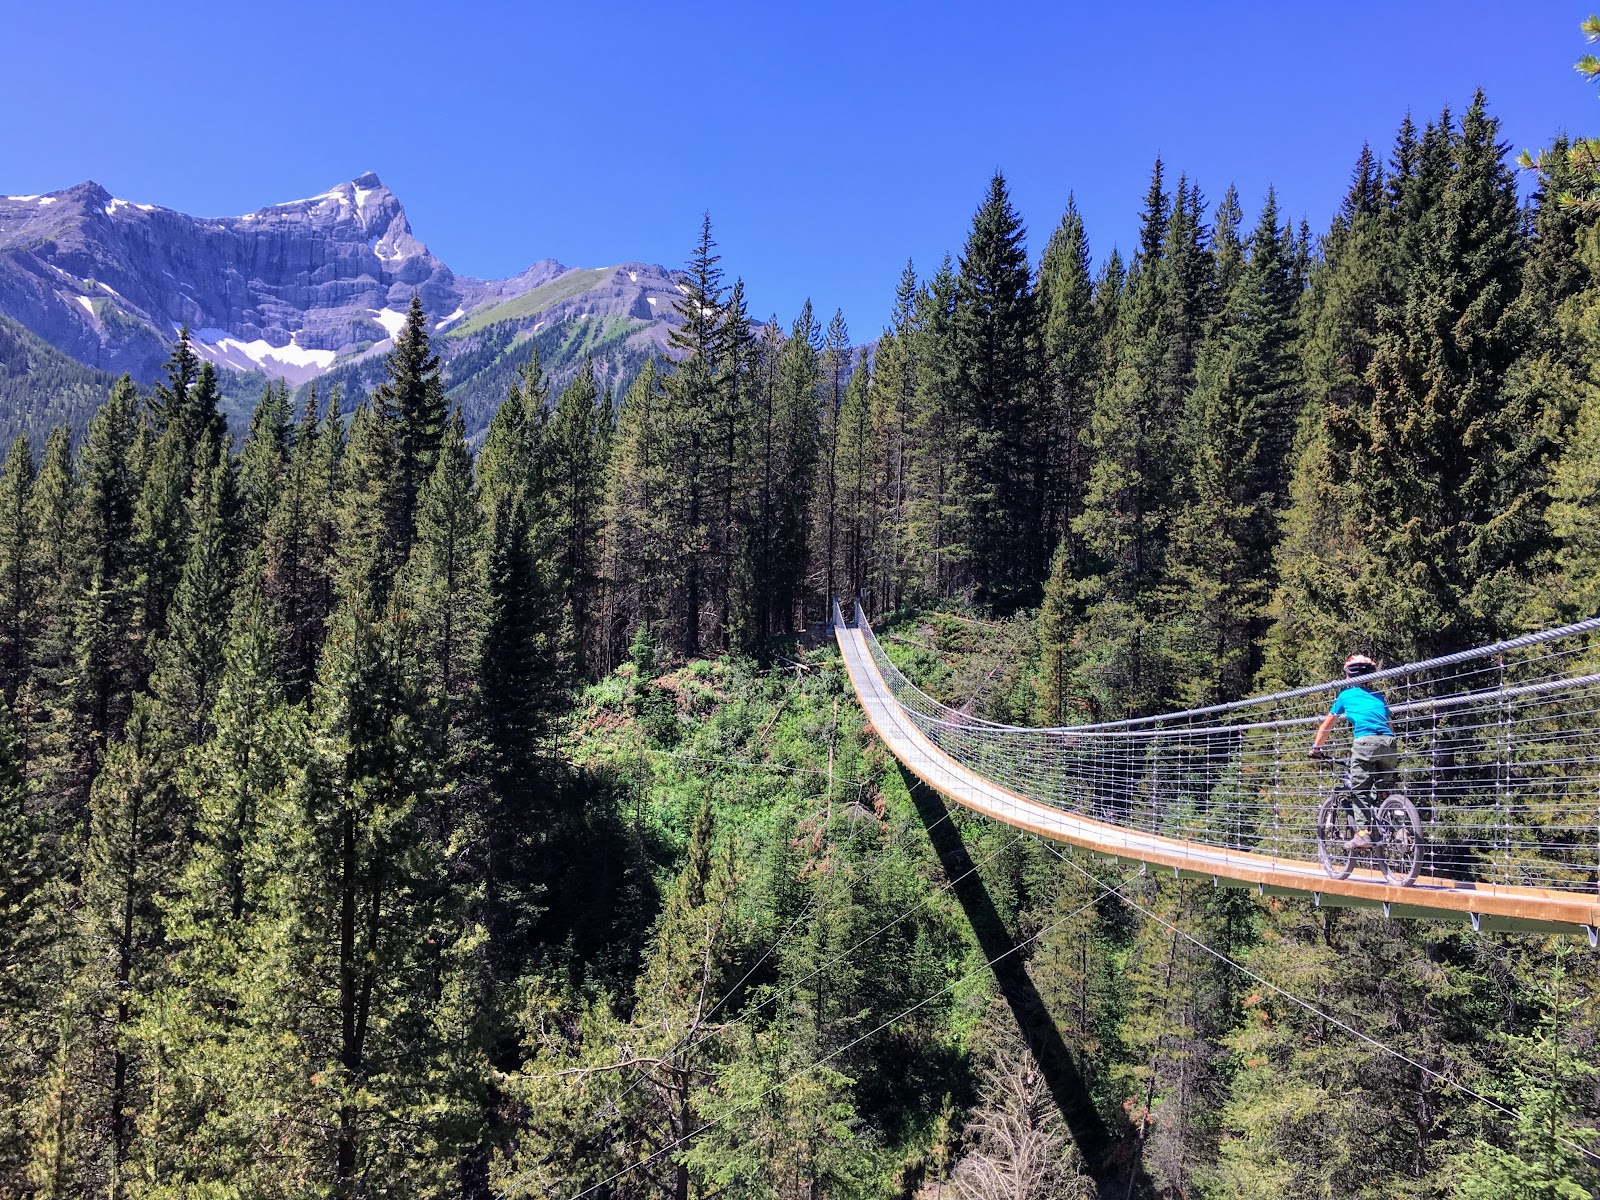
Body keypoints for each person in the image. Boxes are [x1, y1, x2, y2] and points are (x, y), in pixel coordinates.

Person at [1309, 654, 1398, 849]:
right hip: (1389, 743)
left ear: (1348, 677)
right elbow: (1389, 725)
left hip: (1365, 743)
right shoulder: (1379, 696)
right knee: (1382, 785)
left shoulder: (1345, 696)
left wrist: (1316, 748)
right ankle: (1396, 823)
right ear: (1371, 678)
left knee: (1360, 790)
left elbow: (1327, 725)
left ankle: (1363, 834)